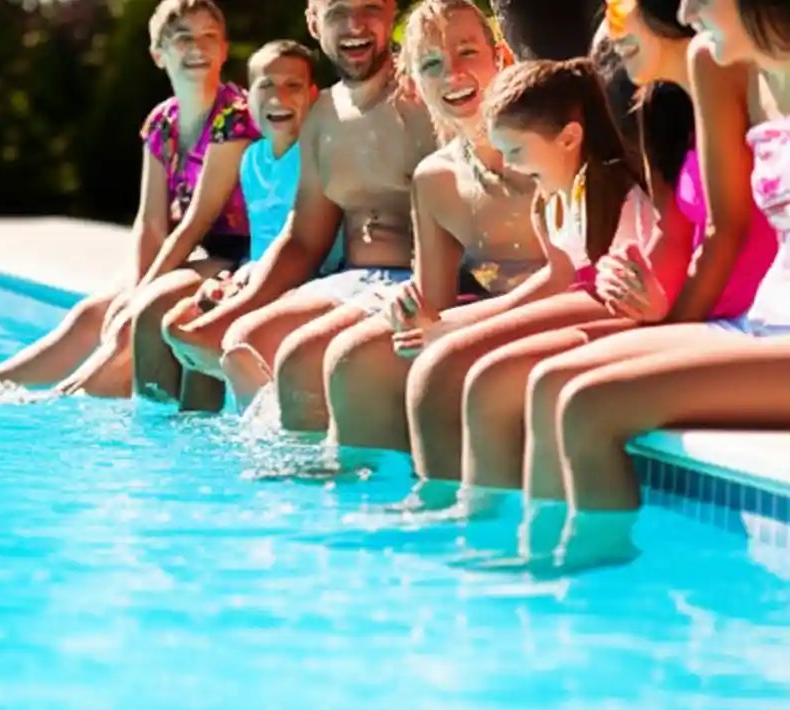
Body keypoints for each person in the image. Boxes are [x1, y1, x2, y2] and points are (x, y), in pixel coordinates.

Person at [461, 0, 777, 533]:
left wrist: (671, 319)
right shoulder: (664, 98)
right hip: (733, 317)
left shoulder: (731, 72)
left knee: (579, 402)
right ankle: (527, 553)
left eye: (620, 4)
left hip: (746, 321)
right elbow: (681, 230)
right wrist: (647, 293)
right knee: (539, 383)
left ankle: (578, 589)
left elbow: (726, 234)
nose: (609, 26)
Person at [325, 57, 663, 511]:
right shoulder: (554, 200)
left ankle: (483, 512)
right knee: (435, 356)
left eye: (517, 152)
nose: (508, 164)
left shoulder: (616, 196)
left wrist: (451, 331)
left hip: (613, 318)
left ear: (568, 139)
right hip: (581, 307)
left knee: (457, 366)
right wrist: (447, 321)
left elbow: (602, 298)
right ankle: (441, 496)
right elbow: (555, 278)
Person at [0, 0, 259, 398]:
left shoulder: (233, 117)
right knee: (90, 314)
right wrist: (134, 282)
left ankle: (58, 399)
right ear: (158, 55)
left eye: (209, 37)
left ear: (224, 49)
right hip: (201, 249)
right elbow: (150, 222)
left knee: (133, 318)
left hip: (241, 253)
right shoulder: (162, 123)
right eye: (183, 38)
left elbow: (199, 218)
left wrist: (140, 292)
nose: (197, 47)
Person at [163, 0, 438, 423]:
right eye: (337, 12)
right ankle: (274, 468)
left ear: (392, 12)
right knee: (235, 341)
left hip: (414, 283)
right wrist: (242, 304)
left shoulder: (426, 96)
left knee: (290, 355)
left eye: (370, 8)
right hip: (354, 281)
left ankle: (307, 468)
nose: (355, 25)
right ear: (313, 21)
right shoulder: (324, 115)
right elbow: (305, 239)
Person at [158, 39, 320, 411]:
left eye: (293, 86)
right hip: (255, 274)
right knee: (184, 318)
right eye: (266, 85)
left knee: (190, 331)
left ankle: (264, 405)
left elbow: (314, 242)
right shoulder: (251, 161)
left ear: (313, 96)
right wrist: (235, 278)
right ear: (248, 100)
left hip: (298, 280)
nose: (278, 96)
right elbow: (262, 238)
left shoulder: (315, 155)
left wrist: (254, 281)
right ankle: (196, 434)